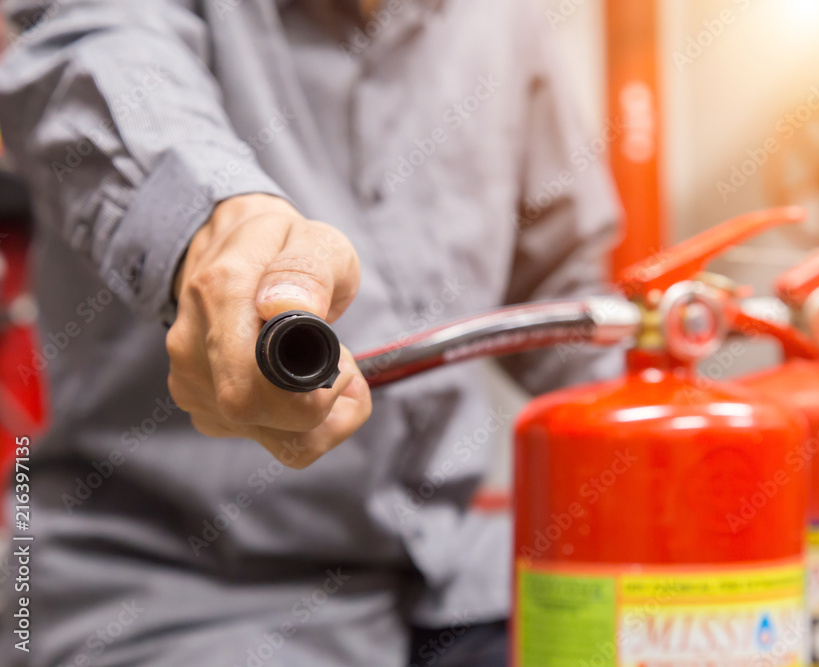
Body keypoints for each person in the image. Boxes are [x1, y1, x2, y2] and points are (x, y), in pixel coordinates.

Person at [0, 0, 621, 664]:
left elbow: (563, 290)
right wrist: (220, 235)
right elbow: (97, 61)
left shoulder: (502, 23)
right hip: (184, 593)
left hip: (454, 574)